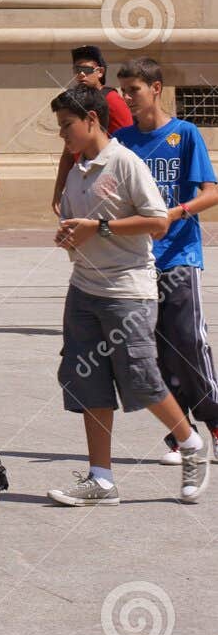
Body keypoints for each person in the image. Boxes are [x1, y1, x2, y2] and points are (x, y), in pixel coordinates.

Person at [46, 83, 210, 505]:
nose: (63, 135)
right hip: (83, 289)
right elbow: (75, 222)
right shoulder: (78, 170)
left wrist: (97, 228)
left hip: (128, 291)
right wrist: (70, 235)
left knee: (141, 378)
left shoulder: (125, 162)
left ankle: (191, 443)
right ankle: (101, 479)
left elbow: (157, 222)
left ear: (92, 120)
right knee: (89, 382)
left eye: (67, 126)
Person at [115, 56, 218, 461]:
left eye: (134, 90)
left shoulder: (185, 134)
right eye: (123, 91)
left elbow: (211, 192)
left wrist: (175, 214)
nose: (127, 98)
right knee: (155, 350)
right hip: (137, 260)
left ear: (155, 88)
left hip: (178, 253)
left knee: (188, 341)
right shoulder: (121, 140)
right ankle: (181, 434)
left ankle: (215, 419)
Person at [50, 45, 133, 214]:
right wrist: (58, 190)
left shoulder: (112, 100)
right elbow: (68, 155)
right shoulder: (75, 101)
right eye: (77, 70)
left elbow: (129, 141)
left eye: (86, 70)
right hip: (81, 177)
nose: (81, 74)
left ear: (100, 72)